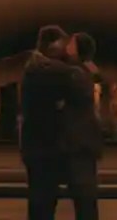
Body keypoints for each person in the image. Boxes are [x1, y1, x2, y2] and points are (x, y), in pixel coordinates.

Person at [19, 25, 82, 220]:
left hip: (35, 142)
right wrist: (77, 61)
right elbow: (76, 85)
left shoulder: (33, 66)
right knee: (44, 196)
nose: (64, 49)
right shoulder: (47, 69)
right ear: (52, 45)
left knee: (40, 195)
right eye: (62, 45)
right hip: (46, 142)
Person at [60, 32, 102, 220]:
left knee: (83, 192)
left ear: (78, 50)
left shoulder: (75, 73)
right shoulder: (85, 71)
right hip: (84, 140)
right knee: (84, 192)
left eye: (71, 44)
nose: (67, 46)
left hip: (78, 141)